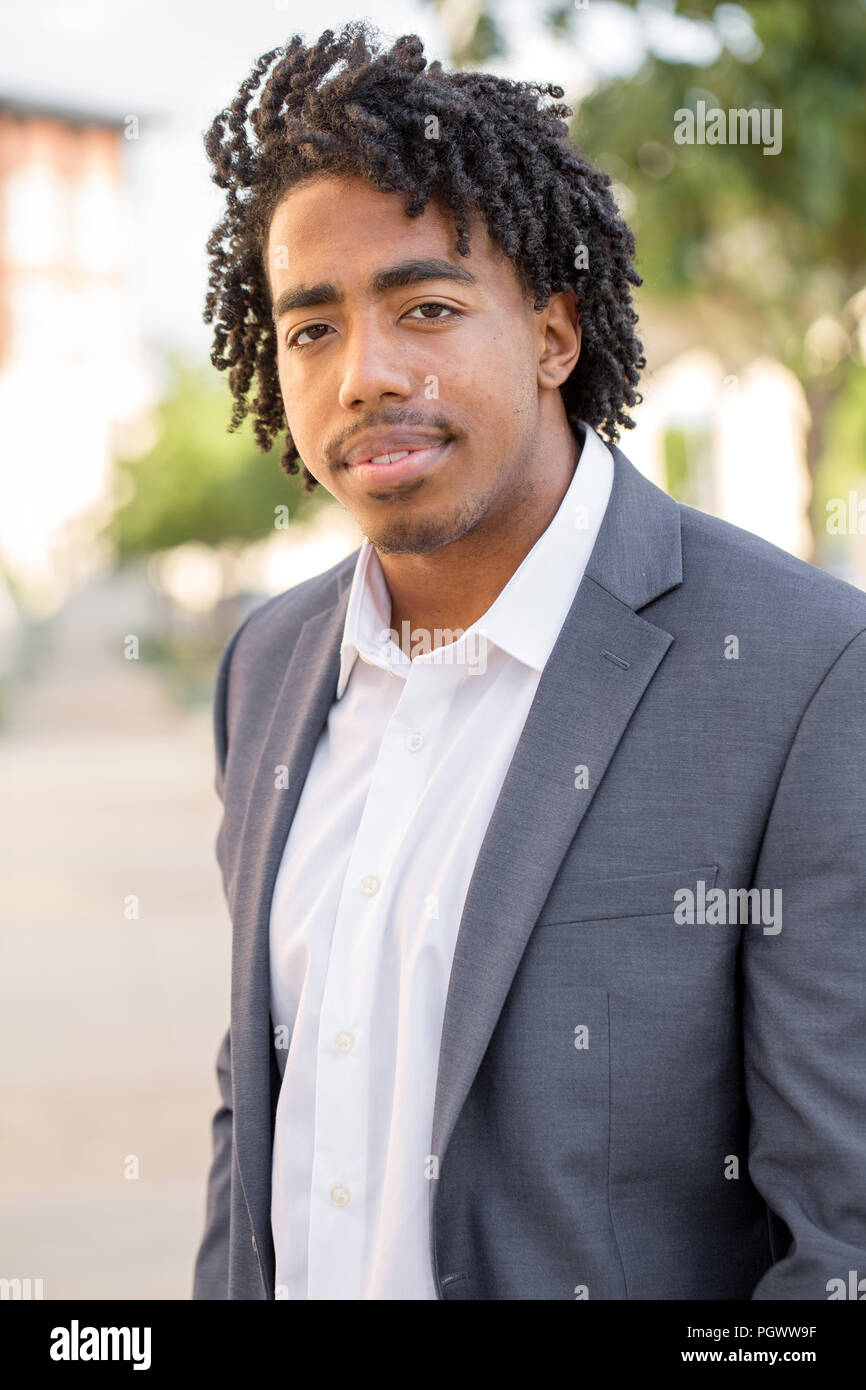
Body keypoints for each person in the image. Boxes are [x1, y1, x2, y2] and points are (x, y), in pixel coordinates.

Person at [192, 21, 866, 1301]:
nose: (363, 376)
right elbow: (258, 1129)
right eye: (312, 330)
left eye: (426, 307)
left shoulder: (805, 678)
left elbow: (843, 1245)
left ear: (554, 334)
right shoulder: (265, 669)